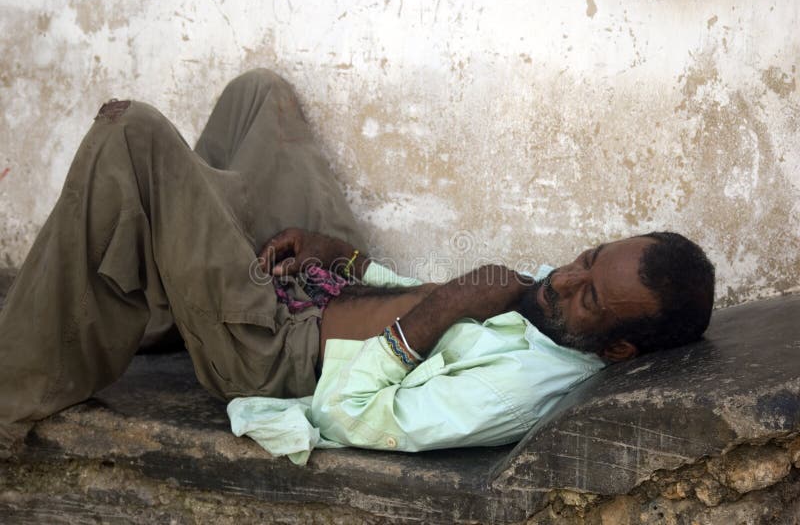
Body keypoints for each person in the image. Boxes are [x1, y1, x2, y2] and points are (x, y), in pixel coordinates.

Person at [0, 69, 715, 460]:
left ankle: (14, 389)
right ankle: (172, 294)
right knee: (262, 94)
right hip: (317, 288)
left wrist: (447, 307)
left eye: (589, 297)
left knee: (134, 133)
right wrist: (342, 258)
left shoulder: (516, 393)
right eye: (586, 261)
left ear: (618, 348)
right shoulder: (552, 305)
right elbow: (418, 293)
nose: (564, 279)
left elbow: (354, 417)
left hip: (274, 350)